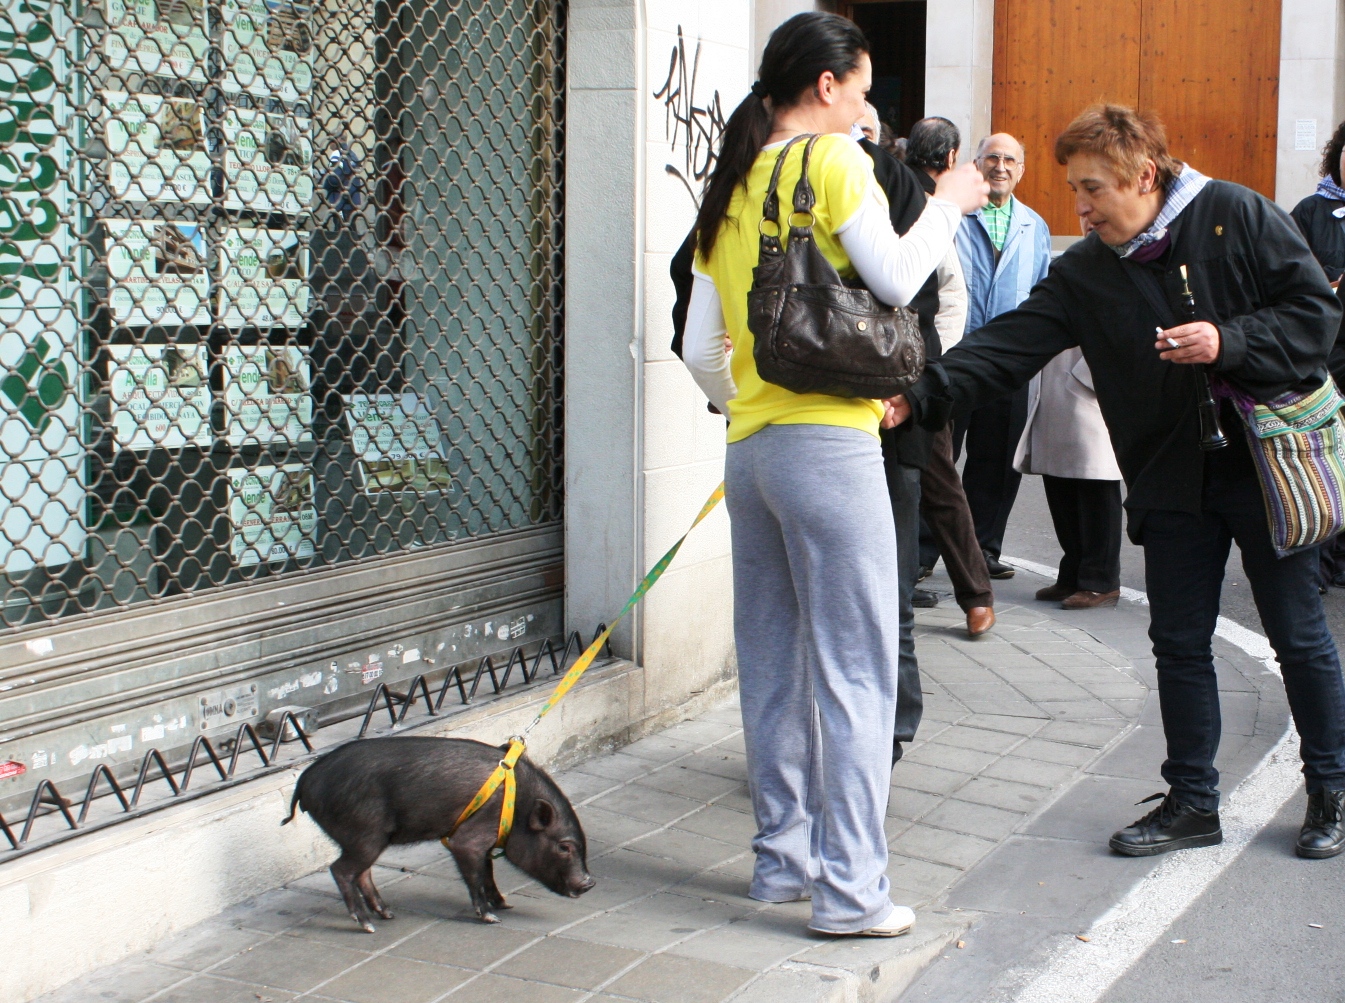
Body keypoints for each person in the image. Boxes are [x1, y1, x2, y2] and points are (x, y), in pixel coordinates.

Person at [888, 104, 1345, 860]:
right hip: (1168, 475)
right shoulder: (1087, 272)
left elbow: (1313, 318)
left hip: (1263, 466)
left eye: (1091, 188)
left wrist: (1228, 340)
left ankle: (1329, 788)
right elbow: (1007, 345)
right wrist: (918, 396)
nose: (1081, 206)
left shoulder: (1235, 214)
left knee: (1297, 634)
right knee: (1176, 642)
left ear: (1143, 175)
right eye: (1073, 189)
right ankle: (1192, 801)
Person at [681, 12, 988, 934]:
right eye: (859, 89)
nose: (865, 108)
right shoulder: (833, 159)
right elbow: (896, 279)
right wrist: (948, 204)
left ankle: (781, 864)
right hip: (832, 444)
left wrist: (746, 401)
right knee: (857, 671)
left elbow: (700, 347)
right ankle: (851, 893)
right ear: (826, 85)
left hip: (751, 450)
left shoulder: (729, 178)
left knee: (772, 663)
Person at [852, 102, 967, 760]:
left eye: (868, 133)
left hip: (890, 419)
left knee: (888, 580)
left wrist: (929, 385)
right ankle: (869, 732)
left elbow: (929, 293)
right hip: (840, 423)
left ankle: (890, 728)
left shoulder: (900, 198)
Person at [904, 116, 997, 635]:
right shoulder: (924, 203)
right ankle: (976, 597)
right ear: (949, 157)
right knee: (940, 483)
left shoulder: (930, 204)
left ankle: (976, 596)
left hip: (918, 371)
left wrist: (933, 368)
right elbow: (953, 297)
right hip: (916, 369)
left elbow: (950, 297)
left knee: (936, 480)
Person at [952, 133, 1052, 581]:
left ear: (1022, 169)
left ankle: (982, 551)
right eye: (992, 157)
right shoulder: (954, 217)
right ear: (977, 163)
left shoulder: (1035, 225)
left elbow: (1043, 293)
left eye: (1010, 159)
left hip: (1009, 364)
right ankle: (921, 555)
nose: (1000, 166)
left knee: (996, 464)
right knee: (938, 458)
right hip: (954, 358)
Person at [1014, 225, 1124, 609]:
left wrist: (1089, 377)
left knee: (1095, 485)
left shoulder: (1127, 266)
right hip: (1054, 386)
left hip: (1089, 389)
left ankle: (1101, 579)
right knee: (1060, 484)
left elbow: (1125, 332)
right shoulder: (1071, 261)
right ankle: (1073, 572)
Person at [1290, 122, 1345, 590]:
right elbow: (1285, 275)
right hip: (1326, 356)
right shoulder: (1311, 211)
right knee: (1324, 459)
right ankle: (1318, 564)